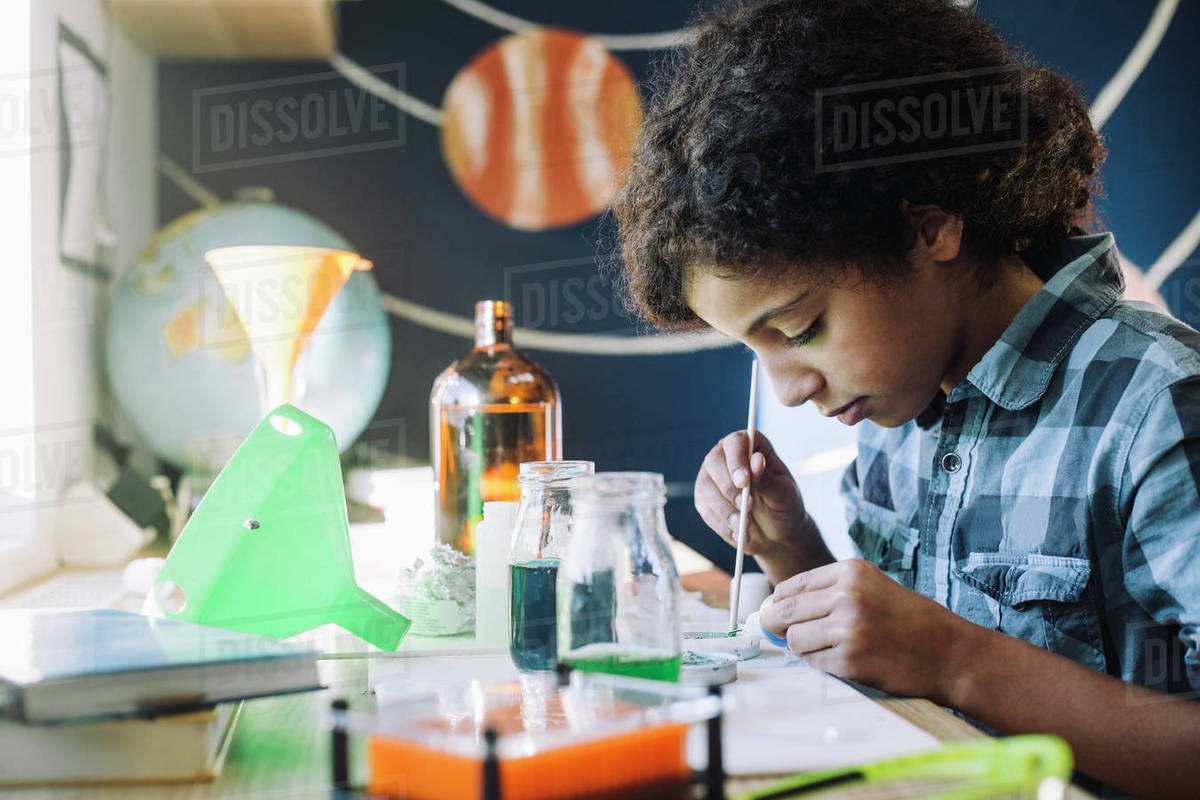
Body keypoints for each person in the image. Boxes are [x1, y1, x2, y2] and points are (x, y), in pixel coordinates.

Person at [611, 1, 1199, 797]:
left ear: (930, 228)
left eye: (801, 328)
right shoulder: (899, 404)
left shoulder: (1158, 408)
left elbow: (941, 661)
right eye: (754, 349)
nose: (789, 388)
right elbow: (898, 664)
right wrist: (794, 553)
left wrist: (957, 660)